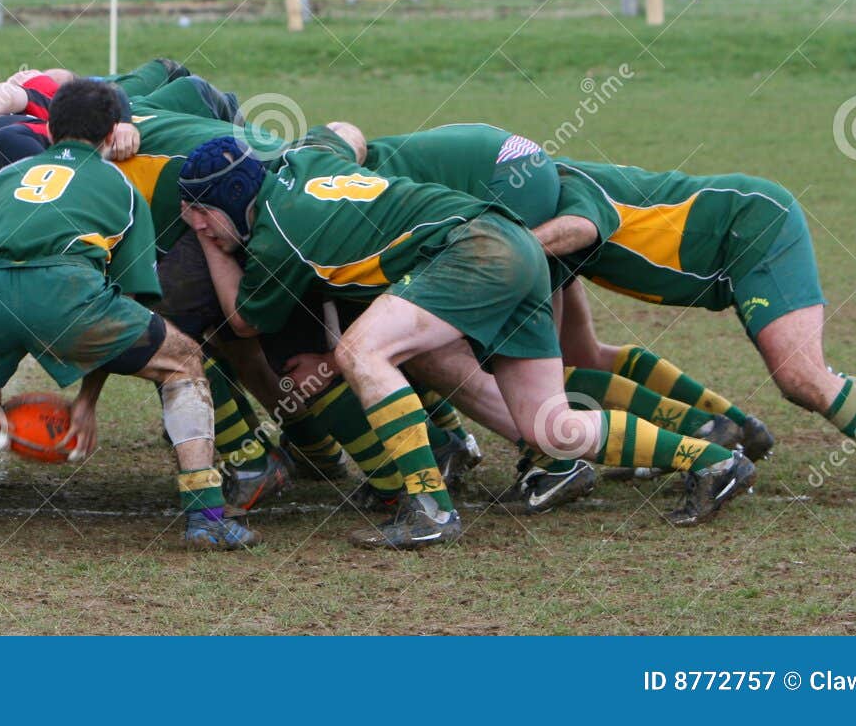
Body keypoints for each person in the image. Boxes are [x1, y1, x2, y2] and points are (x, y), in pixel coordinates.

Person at [179, 131, 756, 549]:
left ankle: (429, 507)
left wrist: (210, 245)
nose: (197, 226)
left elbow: (246, 321)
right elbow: (346, 133)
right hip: (518, 249)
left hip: (474, 248)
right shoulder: (303, 160)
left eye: (201, 214)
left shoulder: (277, 232)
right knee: (552, 427)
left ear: (230, 199)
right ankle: (710, 461)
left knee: (361, 352)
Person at [0, 79, 259, 552]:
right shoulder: (120, 183)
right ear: (112, 131)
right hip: (69, 289)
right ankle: (206, 516)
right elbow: (132, 298)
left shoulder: (5, 177)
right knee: (182, 362)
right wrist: (87, 400)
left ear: (48, 126)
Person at [537, 157, 856, 512]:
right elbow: (571, 356)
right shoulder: (541, 211)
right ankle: (724, 429)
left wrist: (518, 247)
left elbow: (583, 224)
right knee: (805, 377)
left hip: (752, 226)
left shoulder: (561, 194)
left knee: (802, 377)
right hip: (737, 239)